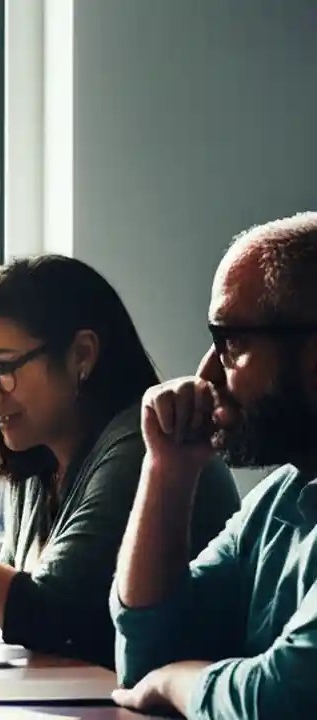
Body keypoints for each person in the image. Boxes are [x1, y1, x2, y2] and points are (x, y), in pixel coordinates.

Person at [0, 255, 240, 667]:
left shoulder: (144, 448)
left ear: (82, 355)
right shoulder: (39, 460)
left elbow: (49, 615)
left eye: (2, 368)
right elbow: (31, 588)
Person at [112, 212, 317, 719]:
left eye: (233, 343)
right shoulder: (279, 501)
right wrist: (168, 472)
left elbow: (278, 701)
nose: (204, 373)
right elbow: (144, 655)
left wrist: (173, 683)